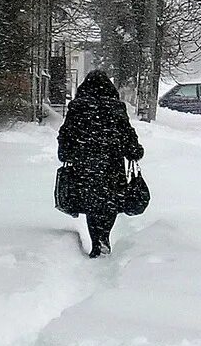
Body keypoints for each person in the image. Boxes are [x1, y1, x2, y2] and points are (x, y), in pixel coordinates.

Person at [57, 70, 144, 258]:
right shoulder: (116, 109)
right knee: (108, 204)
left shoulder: (78, 107)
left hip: (85, 166)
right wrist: (135, 151)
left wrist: (66, 153)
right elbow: (128, 136)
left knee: (92, 204)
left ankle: (97, 240)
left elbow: (66, 135)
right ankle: (103, 238)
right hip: (112, 167)